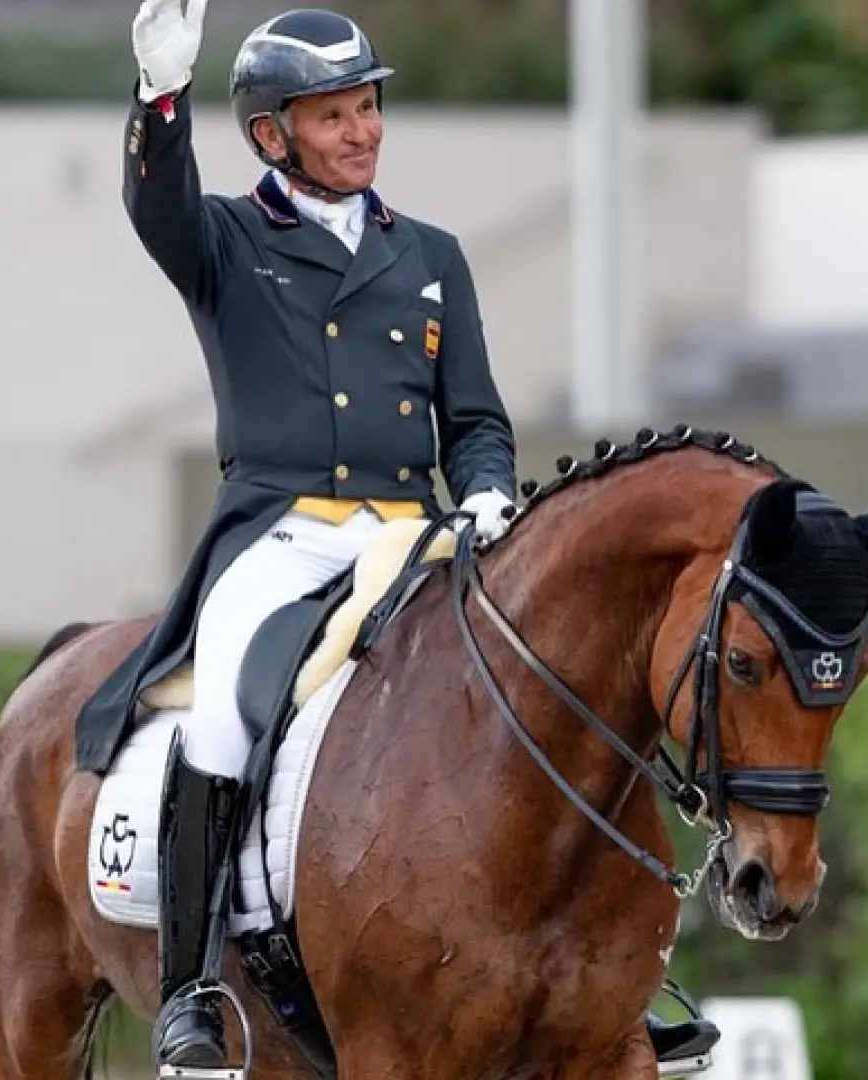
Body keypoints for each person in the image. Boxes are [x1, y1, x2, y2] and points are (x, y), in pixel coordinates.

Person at [114, 5, 721, 1076]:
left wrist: (488, 495)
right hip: (287, 531)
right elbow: (154, 205)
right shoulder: (227, 240)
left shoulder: (431, 258)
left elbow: (476, 419)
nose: (363, 131)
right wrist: (161, 100)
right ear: (272, 134)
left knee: (548, 698)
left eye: (369, 107)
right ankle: (193, 990)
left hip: (418, 531)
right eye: (335, 115)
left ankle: (614, 971)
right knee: (219, 719)